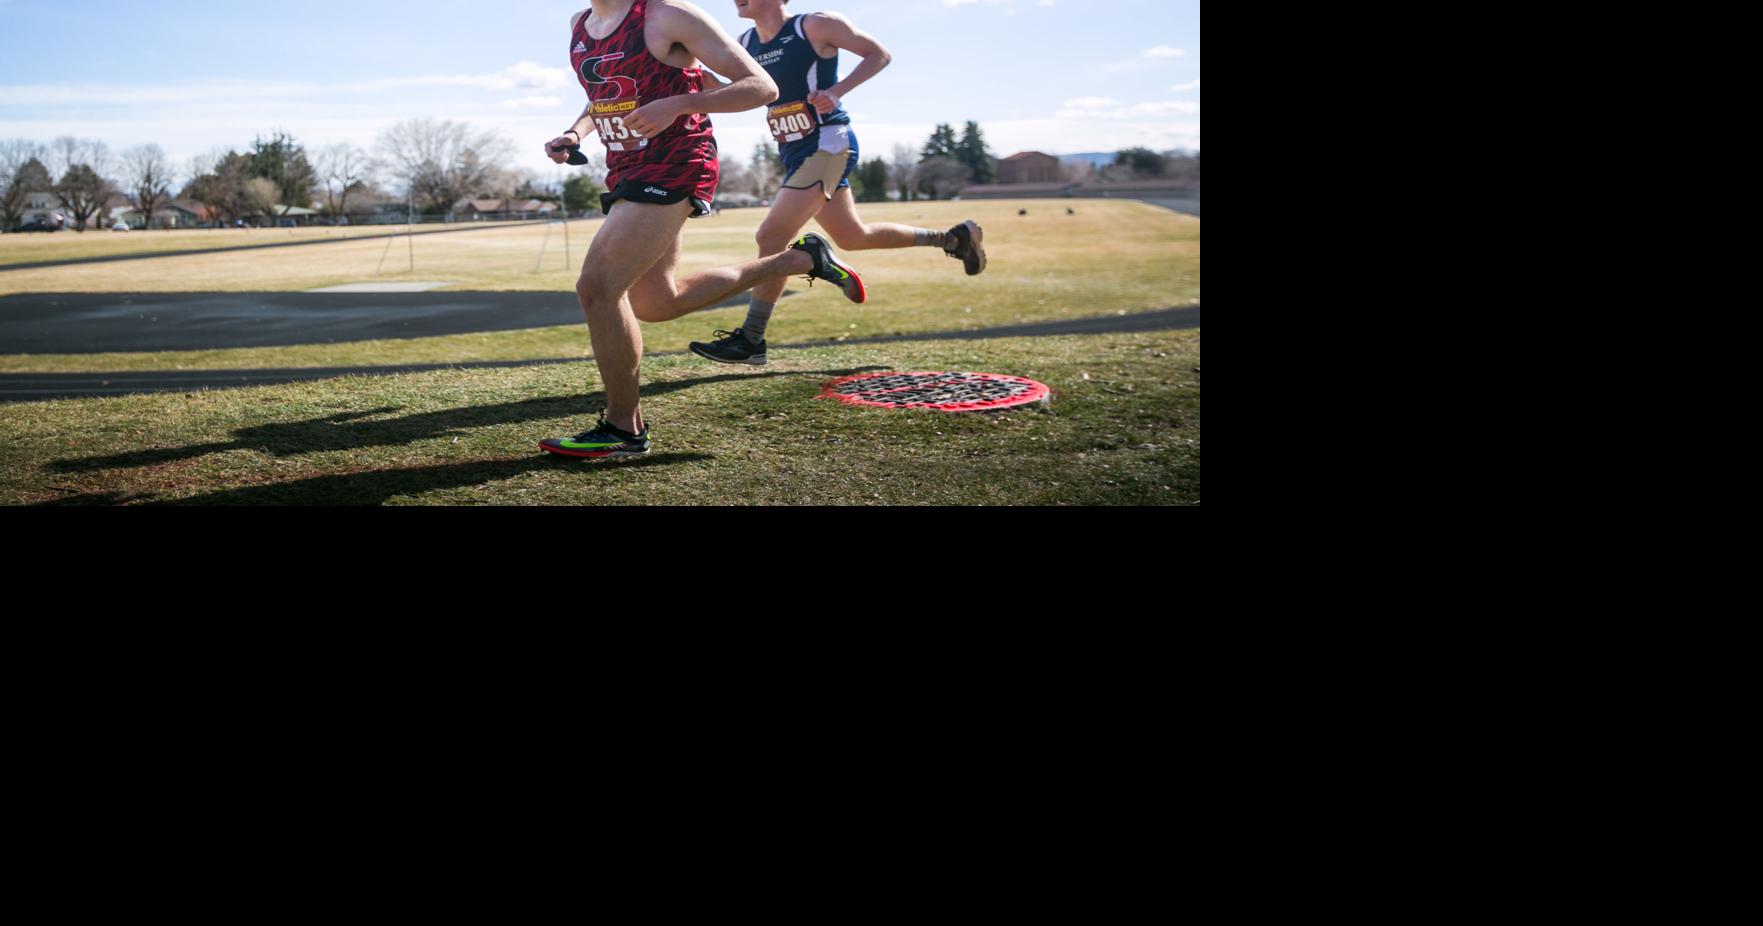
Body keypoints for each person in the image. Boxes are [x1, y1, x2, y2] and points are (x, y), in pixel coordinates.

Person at [537, 0, 868, 459]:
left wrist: (679, 103)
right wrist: (576, 133)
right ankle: (802, 259)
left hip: (675, 162)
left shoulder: (667, 15)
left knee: (598, 287)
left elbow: (761, 86)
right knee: (657, 302)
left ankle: (624, 429)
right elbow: (604, 97)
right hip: (625, 165)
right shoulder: (581, 24)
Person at [688, 0, 986, 367]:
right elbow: (751, 92)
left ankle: (751, 339)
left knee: (770, 236)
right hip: (793, 150)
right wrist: (707, 84)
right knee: (852, 237)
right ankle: (954, 238)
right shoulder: (746, 42)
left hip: (828, 143)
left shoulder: (815, 26)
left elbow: (878, 54)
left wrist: (837, 91)